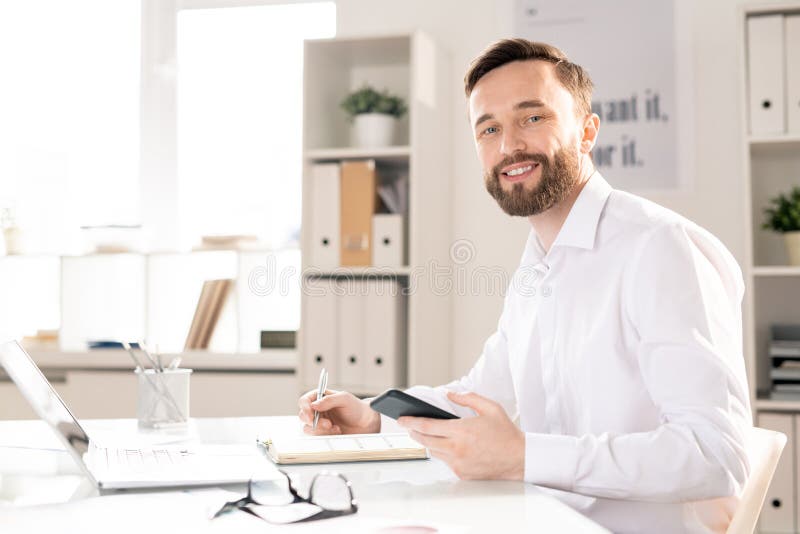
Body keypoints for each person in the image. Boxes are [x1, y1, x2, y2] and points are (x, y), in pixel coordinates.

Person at [298, 39, 752, 533]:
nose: (508, 146)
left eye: (532, 117)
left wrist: (525, 456)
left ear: (587, 132)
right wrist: (372, 418)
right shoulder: (537, 265)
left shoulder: (661, 247)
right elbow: (478, 394)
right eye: (488, 129)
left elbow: (717, 454)